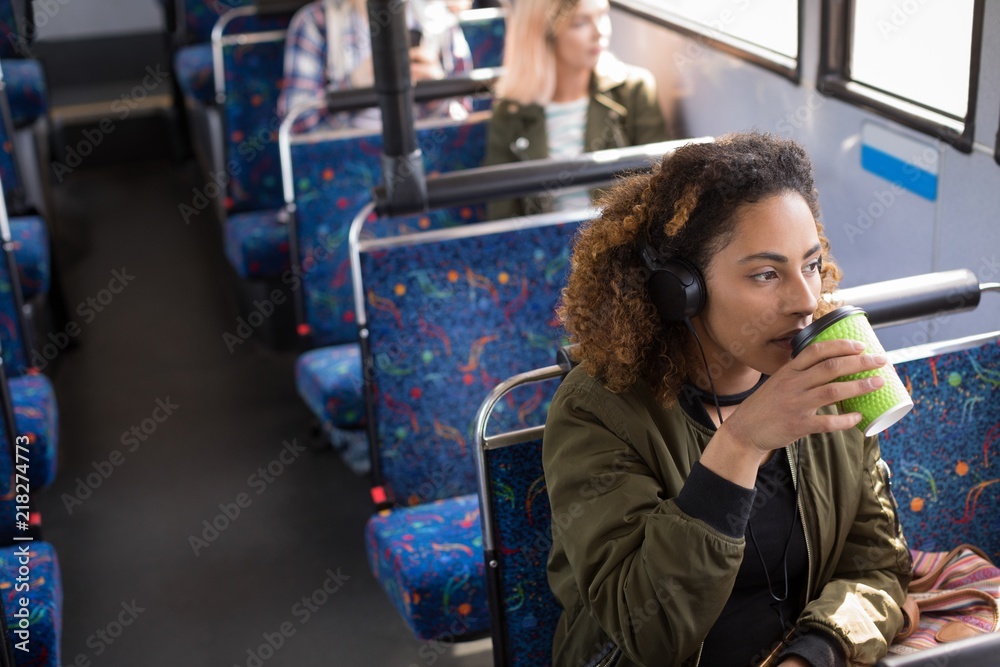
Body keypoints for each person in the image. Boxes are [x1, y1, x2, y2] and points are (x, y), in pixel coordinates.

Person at [543, 132, 911, 667]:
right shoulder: (597, 412)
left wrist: (816, 651)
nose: (806, 301)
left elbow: (878, 567)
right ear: (681, 291)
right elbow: (650, 631)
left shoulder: (827, 375)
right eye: (766, 274)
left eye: (810, 264)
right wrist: (739, 444)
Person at [484, 0, 669, 219]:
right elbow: (502, 217)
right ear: (544, 33)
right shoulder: (510, 113)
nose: (599, 32)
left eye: (603, 15)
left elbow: (663, 187)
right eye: (580, 23)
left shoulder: (634, 89)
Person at [277, 0, 473, 132]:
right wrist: (352, 86)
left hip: (429, 157)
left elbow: (465, 120)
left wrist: (436, 95)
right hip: (346, 160)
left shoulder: (438, 17)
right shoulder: (316, 22)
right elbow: (295, 125)